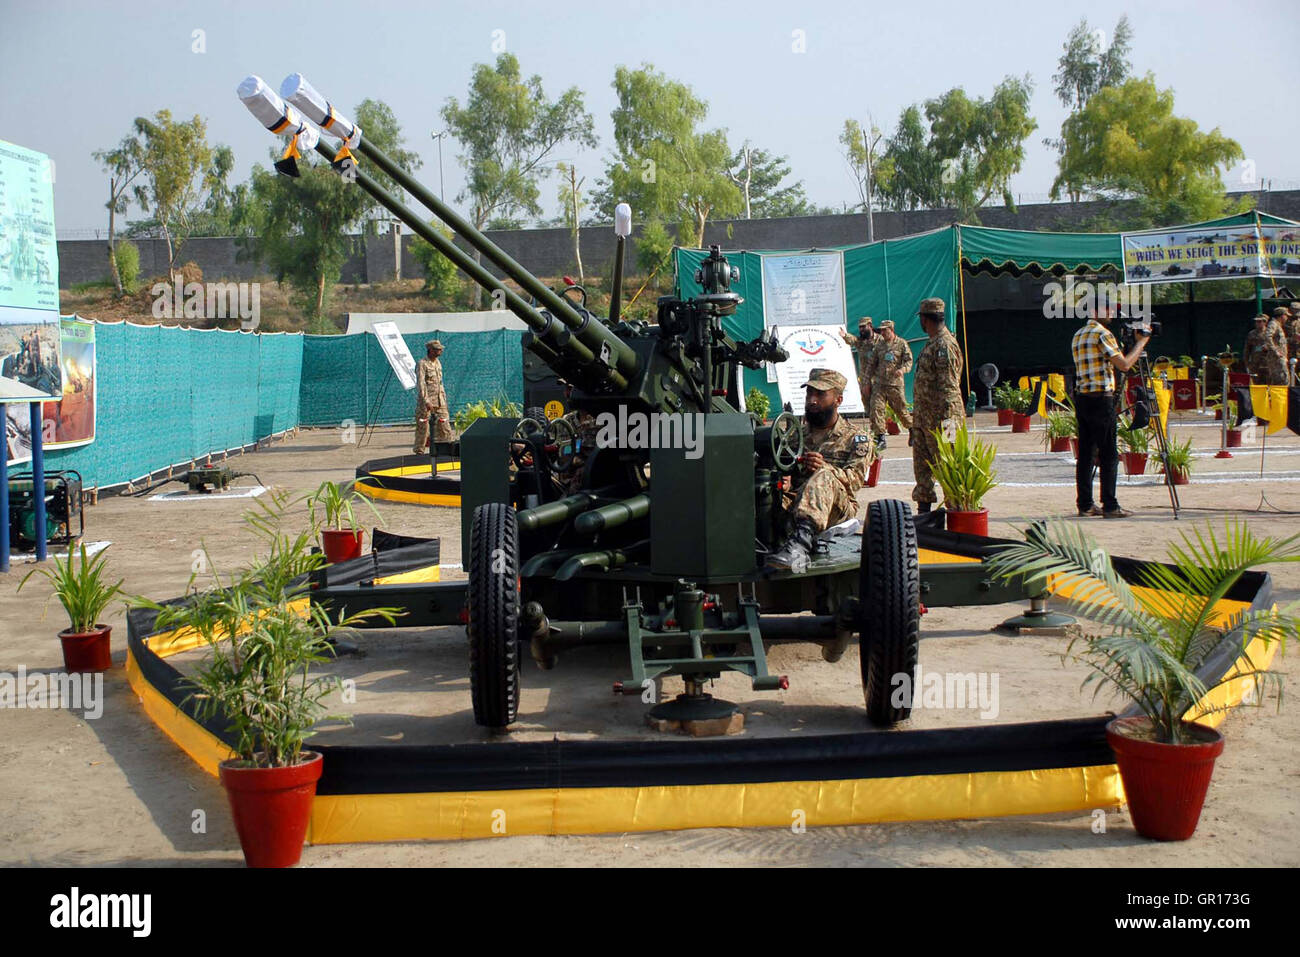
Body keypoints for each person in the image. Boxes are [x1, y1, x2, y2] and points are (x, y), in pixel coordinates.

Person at [765, 368, 874, 571]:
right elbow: (783, 468)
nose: (812, 400)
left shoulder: (856, 438)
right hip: (796, 501)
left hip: (838, 506)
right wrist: (784, 479)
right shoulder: (795, 436)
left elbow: (855, 480)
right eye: (809, 394)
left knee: (823, 475)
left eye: (820, 394)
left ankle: (800, 544)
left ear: (838, 400)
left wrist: (824, 467)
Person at [1070, 299, 1148, 518]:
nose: (1112, 313)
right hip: (1101, 399)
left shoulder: (1078, 335)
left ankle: (1085, 504)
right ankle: (1111, 505)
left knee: (1086, 453)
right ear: (1096, 311)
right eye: (1109, 309)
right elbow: (1124, 365)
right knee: (1109, 455)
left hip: (1083, 398)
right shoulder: (1103, 334)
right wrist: (1140, 343)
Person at [910, 298, 964, 513]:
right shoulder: (932, 343)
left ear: (925, 319)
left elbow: (950, 389)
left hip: (943, 420)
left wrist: (949, 425)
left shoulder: (945, 345)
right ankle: (924, 514)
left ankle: (956, 512)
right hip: (925, 420)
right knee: (922, 468)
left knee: (948, 466)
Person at [414, 339, 455, 454]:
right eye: (438, 349)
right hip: (427, 402)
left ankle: (447, 449)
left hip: (440, 401)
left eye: (440, 349)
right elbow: (421, 383)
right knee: (423, 427)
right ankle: (419, 451)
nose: (440, 351)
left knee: (445, 424)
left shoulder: (437, 363)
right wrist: (426, 401)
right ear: (431, 350)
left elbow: (440, 383)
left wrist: (443, 398)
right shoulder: (422, 363)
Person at [839, 316, 875, 408]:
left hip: (877, 380)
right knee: (867, 407)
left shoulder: (879, 341)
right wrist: (845, 336)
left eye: (863, 327)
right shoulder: (861, 342)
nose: (861, 329)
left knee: (877, 407)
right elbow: (853, 340)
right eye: (860, 327)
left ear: (870, 325)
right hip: (864, 381)